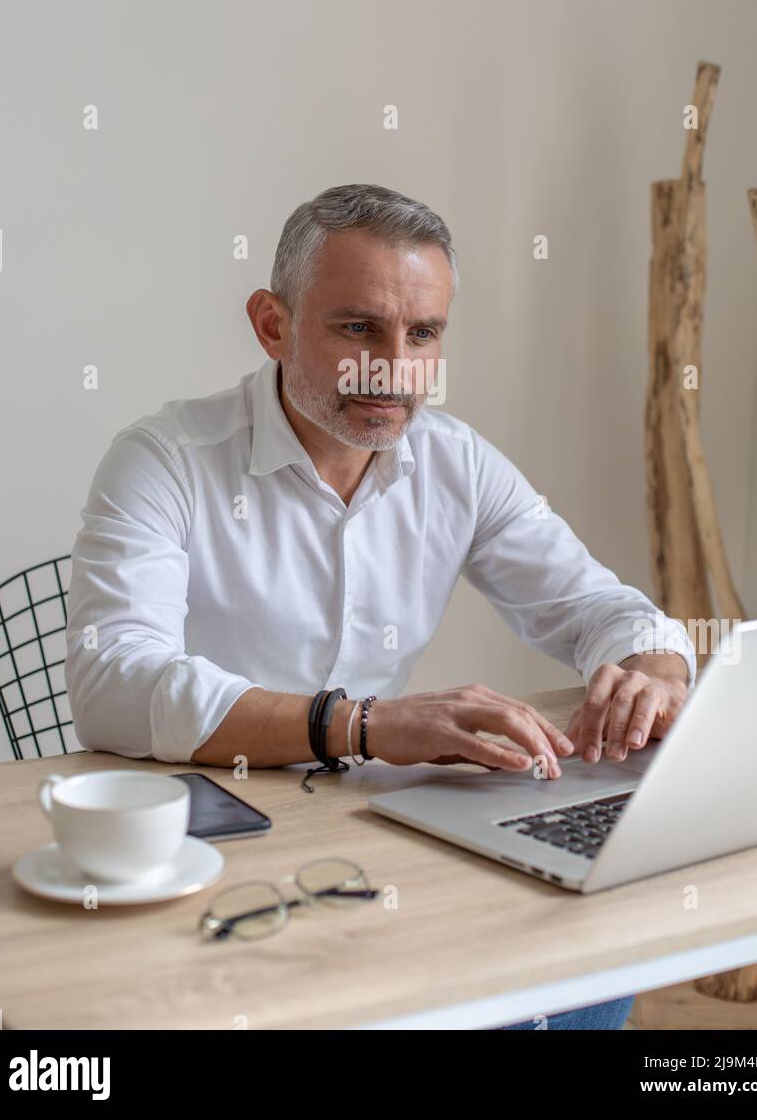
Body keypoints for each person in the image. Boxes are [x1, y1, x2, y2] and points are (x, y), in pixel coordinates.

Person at [66, 183, 695, 1030]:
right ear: (272, 323)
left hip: (378, 838)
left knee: (592, 950)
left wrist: (650, 666)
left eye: (423, 333)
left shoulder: (456, 464)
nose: (395, 369)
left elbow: (596, 605)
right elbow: (113, 683)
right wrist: (357, 726)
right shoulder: (165, 460)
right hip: (213, 847)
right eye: (358, 327)